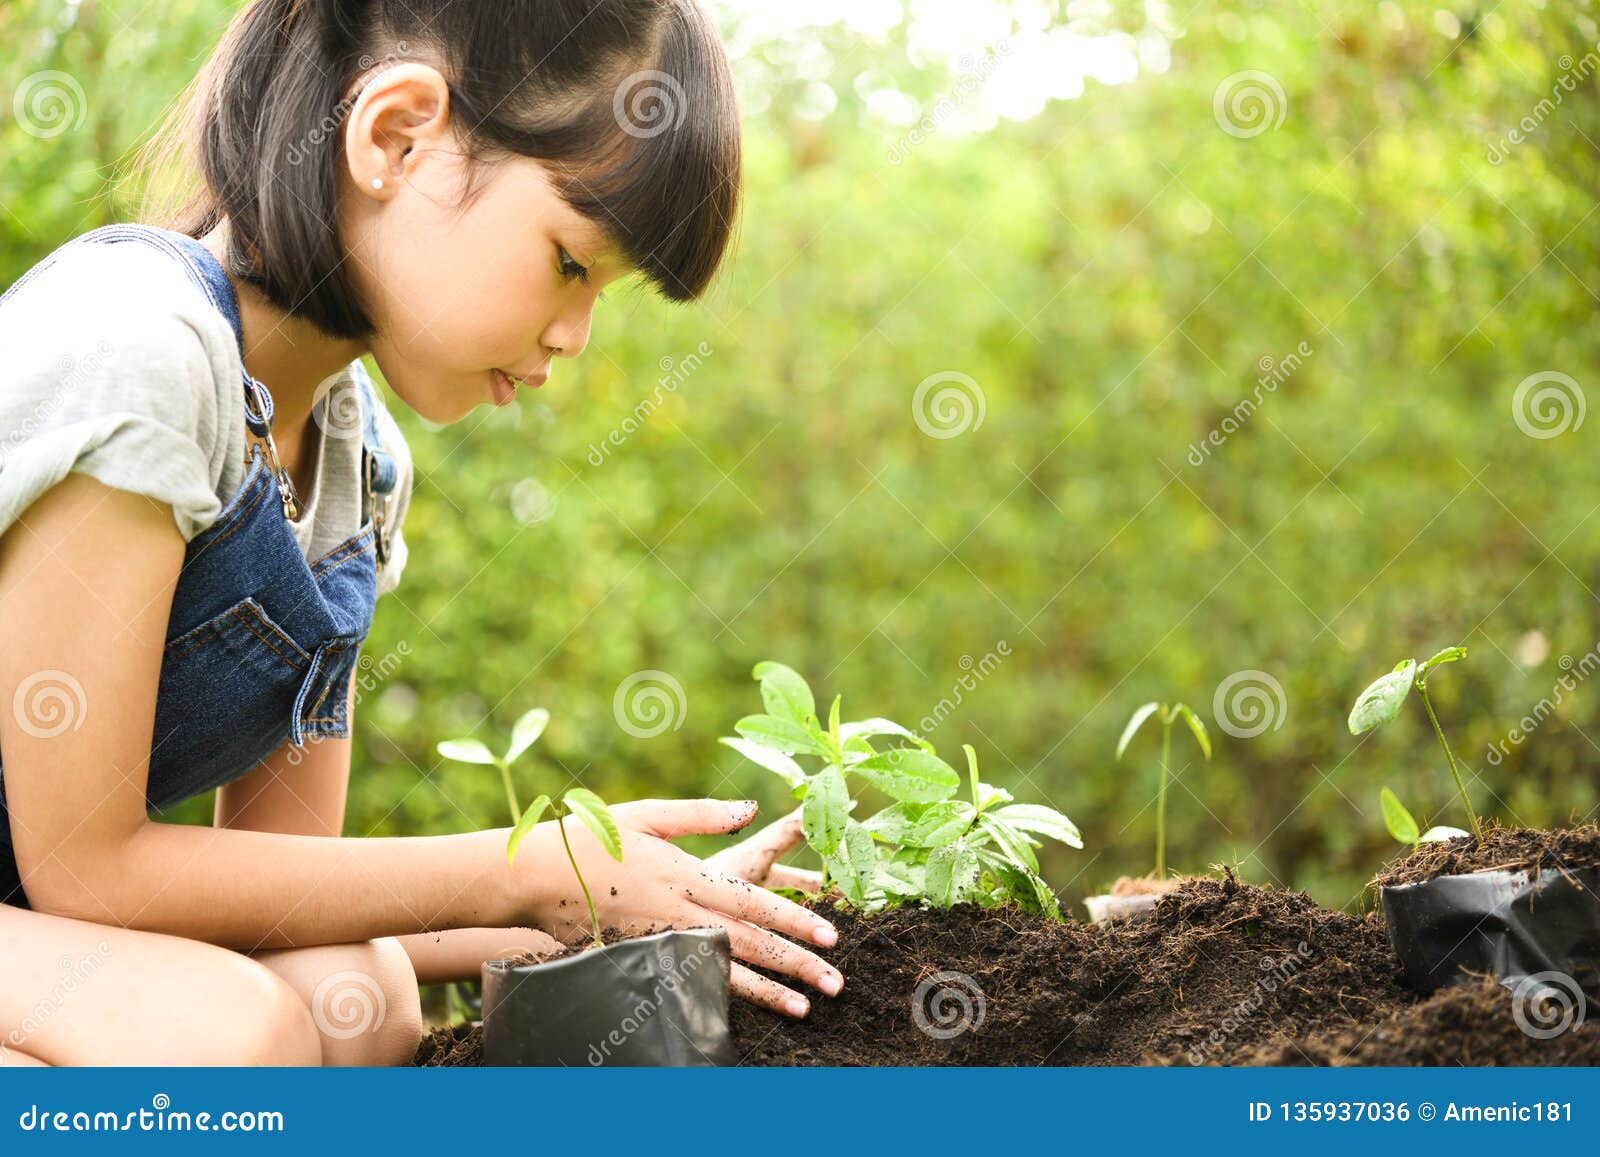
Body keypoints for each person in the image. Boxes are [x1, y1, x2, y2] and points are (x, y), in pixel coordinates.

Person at [0, 0, 842, 1067]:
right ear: (395, 137)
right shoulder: (136, 347)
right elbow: (91, 867)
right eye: (571, 262)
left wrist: (612, 891)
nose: (572, 337)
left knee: (355, 992)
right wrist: (524, 861)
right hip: (56, 896)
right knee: (223, 1033)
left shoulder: (356, 455)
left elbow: (283, 885)